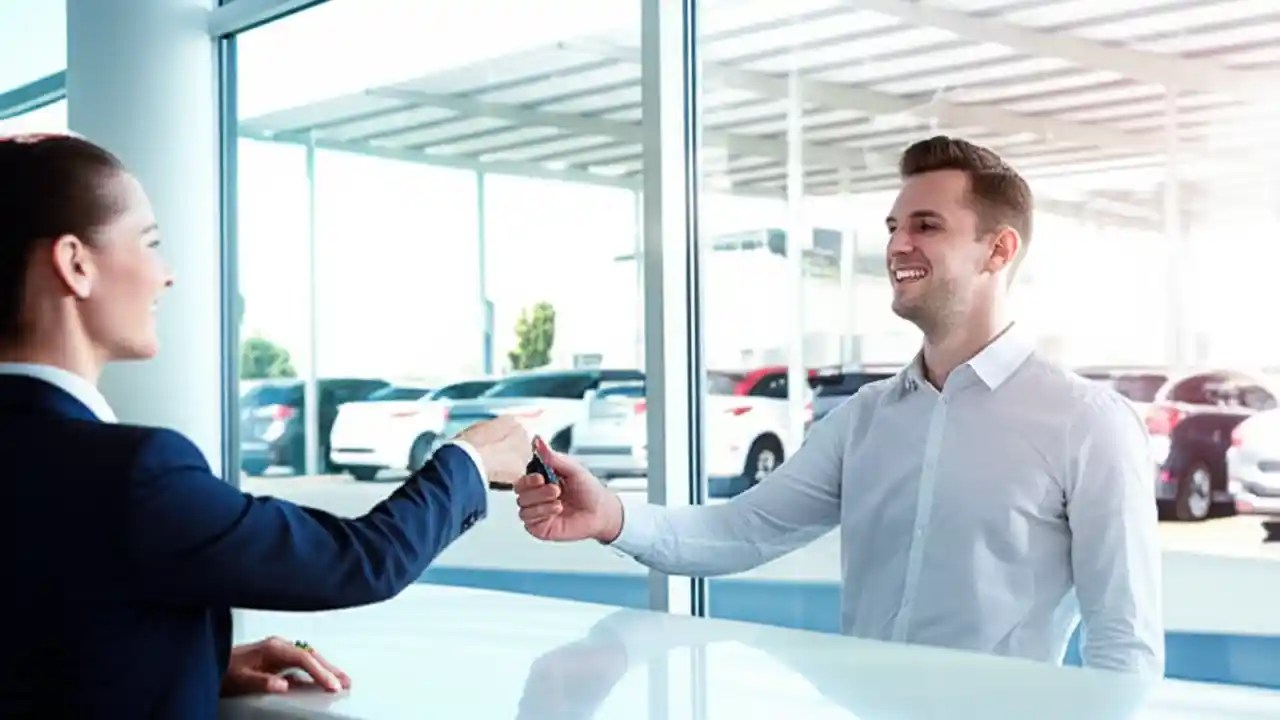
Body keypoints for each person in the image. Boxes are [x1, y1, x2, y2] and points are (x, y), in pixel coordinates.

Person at [513, 136, 1163, 676]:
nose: (897, 245)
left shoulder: (1086, 424)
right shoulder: (865, 418)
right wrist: (612, 515)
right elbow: (742, 531)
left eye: (926, 226)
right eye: (893, 227)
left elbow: (1123, 646)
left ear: (999, 250)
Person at [0, 132, 533, 719]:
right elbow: (359, 561)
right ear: (76, 264)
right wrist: (471, 460)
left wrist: (191, 658)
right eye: (149, 244)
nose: (166, 275)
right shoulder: (132, 472)